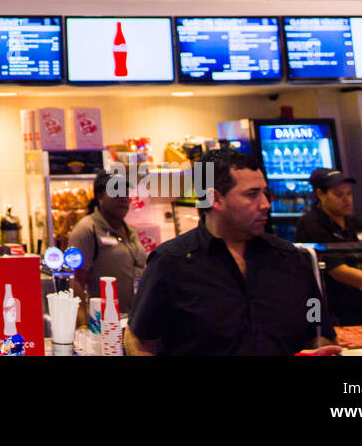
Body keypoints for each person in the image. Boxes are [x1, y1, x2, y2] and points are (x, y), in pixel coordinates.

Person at [125, 150, 339, 356]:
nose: (265, 204)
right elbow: (139, 341)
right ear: (215, 199)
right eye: (252, 195)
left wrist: (321, 347)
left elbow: (318, 329)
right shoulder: (172, 263)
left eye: (265, 193)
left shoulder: (291, 260)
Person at [294, 168, 362, 326]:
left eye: (349, 194)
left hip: (360, 305)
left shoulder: (354, 223)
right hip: (325, 309)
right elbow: (339, 271)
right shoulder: (311, 225)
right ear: (320, 194)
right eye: (339, 195)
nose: (347, 200)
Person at [67, 169, 147, 315]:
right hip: (103, 324)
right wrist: (83, 327)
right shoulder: (87, 230)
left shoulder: (130, 231)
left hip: (136, 321)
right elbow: (77, 283)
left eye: (126, 192)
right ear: (100, 196)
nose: (123, 198)